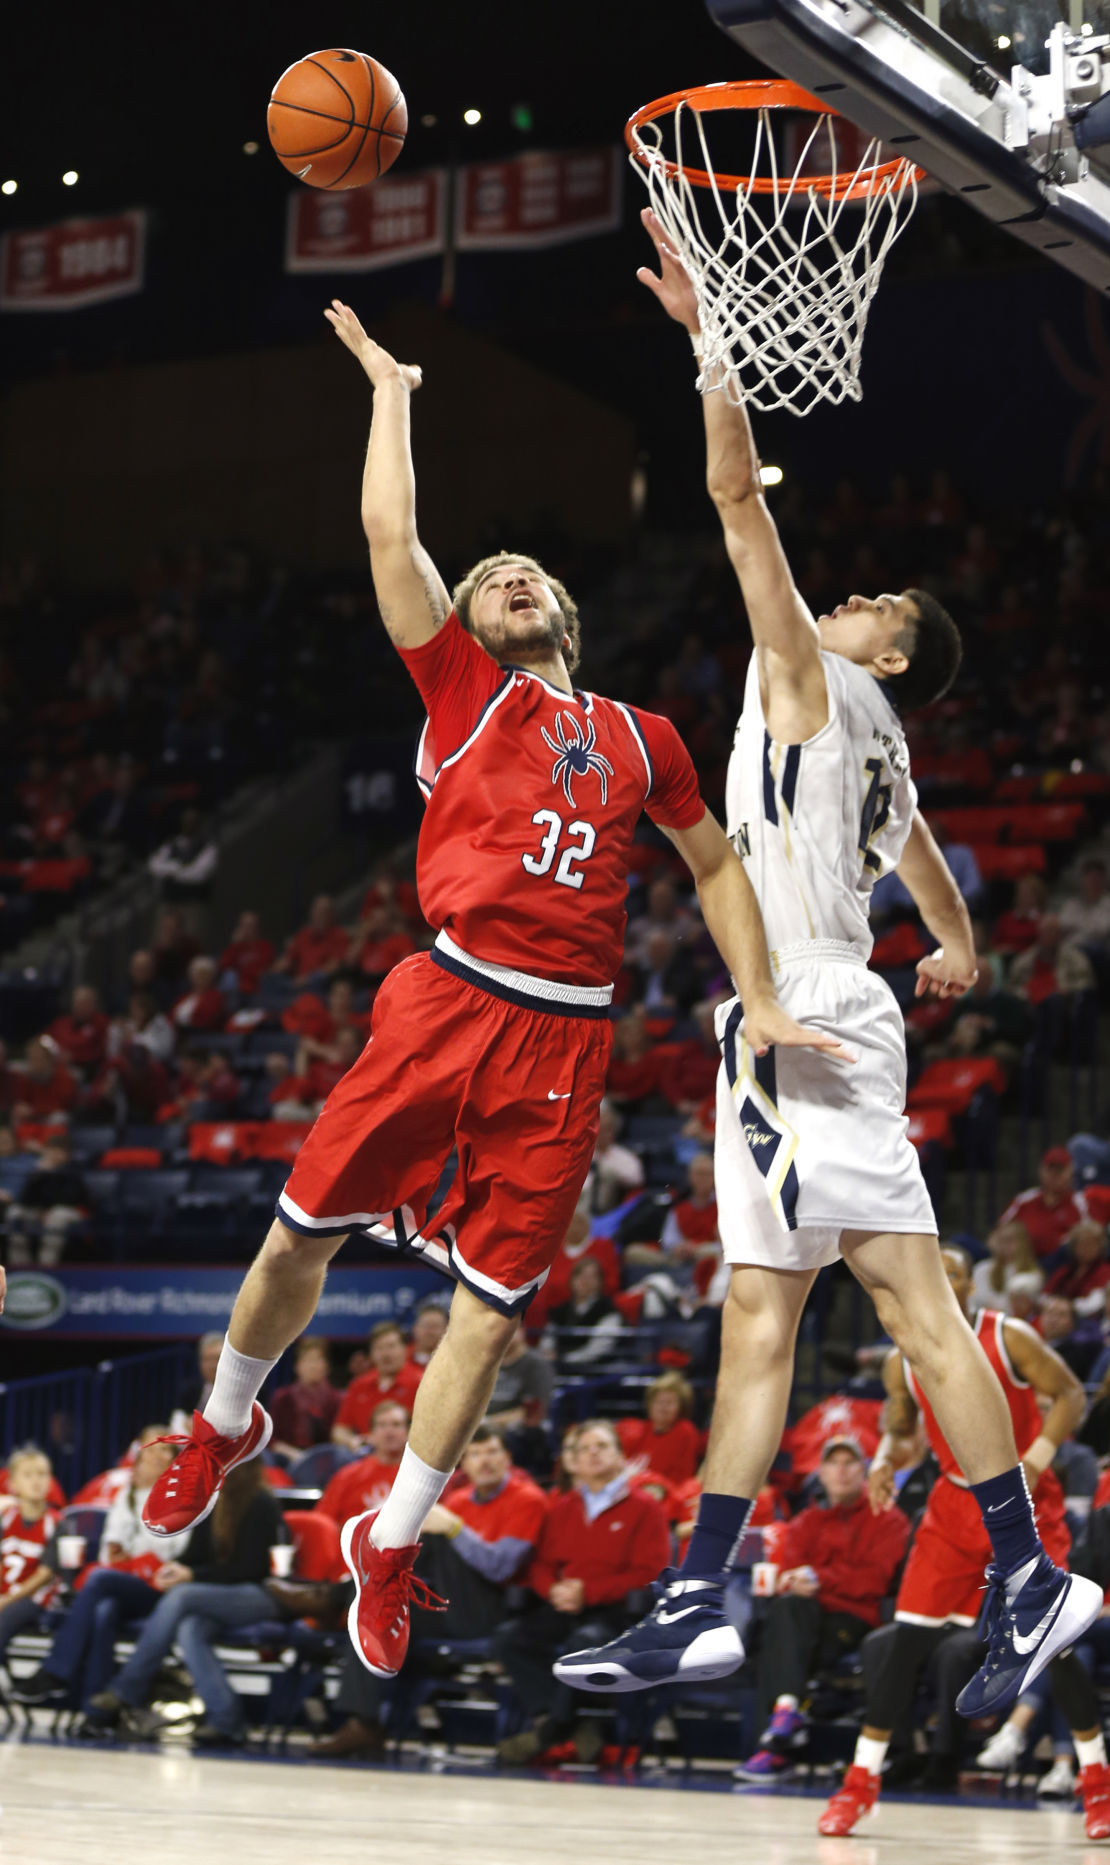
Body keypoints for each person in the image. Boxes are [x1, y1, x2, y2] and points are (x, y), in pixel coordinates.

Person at [141, 297, 837, 1691]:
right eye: (493, 574)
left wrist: (755, 996)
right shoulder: (463, 696)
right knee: (294, 1247)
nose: (510, 575)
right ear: (467, 622)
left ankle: (389, 1542)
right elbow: (394, 542)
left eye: (527, 573)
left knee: (490, 1313)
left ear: (565, 614)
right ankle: (227, 1418)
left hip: (565, 1042)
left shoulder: (643, 737)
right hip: (449, 999)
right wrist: (392, 392)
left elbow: (711, 867)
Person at [556, 211, 1101, 1721]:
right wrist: (958, 945)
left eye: (872, 604)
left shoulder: (814, 681)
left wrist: (711, 340)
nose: (846, 595)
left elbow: (733, 494)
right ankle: (704, 1600)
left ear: (884, 649)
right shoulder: (886, 749)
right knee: (774, 1314)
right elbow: (922, 860)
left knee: (893, 1315)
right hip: (822, 1001)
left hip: (795, 1006)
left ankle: (1021, 1577)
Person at [817, 1247, 1106, 1835]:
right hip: (952, 1504)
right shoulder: (903, 1357)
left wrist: (1036, 1457)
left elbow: (1073, 1393)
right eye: (935, 1273)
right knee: (906, 1644)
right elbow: (903, 1426)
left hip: (1023, 1502)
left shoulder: (1009, 1336)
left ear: (972, 1286)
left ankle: (1096, 1779)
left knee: (1055, 1644)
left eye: (954, 1274)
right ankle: (861, 1781)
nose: (944, 1282)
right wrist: (880, 1460)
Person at [310, 1424, 547, 1760]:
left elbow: (502, 1568)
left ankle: (327, 1599)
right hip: (446, 1605)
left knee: (431, 1536)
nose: (485, 1461)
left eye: (493, 1452)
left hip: (493, 1612)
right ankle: (362, 1723)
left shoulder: (527, 1499)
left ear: (508, 1458)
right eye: (476, 1454)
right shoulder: (459, 1499)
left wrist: (454, 1528)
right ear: (464, 1464)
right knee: (370, 1614)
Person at [494, 1421, 671, 1766]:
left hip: (619, 1611)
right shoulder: (562, 1506)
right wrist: (554, 1590)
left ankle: (551, 1731)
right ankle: (569, 1724)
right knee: (508, 1640)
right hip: (564, 1606)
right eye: (584, 1448)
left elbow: (650, 1574)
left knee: (584, 1643)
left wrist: (588, 1592)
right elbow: (542, 1565)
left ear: (621, 1457)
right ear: (573, 1460)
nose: (592, 1453)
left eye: (602, 1446)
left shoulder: (645, 1507)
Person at [737, 1436, 909, 1779]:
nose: (841, 1471)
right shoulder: (807, 1521)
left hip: (853, 1621)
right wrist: (796, 1580)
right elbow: (791, 1570)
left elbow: (873, 1580)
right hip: (806, 1617)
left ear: (864, 1471)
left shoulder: (888, 1519)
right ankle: (787, 1716)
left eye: (850, 1463)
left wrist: (818, 1577)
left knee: (780, 1636)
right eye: (834, 1463)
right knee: (787, 1612)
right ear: (822, 1472)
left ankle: (775, 1746)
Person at [88, 1459, 282, 1746]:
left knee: (183, 1595)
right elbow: (195, 1556)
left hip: (260, 1596)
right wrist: (174, 1569)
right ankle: (227, 1722)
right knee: (190, 1628)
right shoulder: (214, 1501)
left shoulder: (262, 1504)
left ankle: (128, 1688)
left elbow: (252, 1570)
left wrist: (192, 1575)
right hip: (217, 1597)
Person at [11, 1435, 191, 1712]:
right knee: (103, 1611)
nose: (156, 1457)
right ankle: (96, 1714)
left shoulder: (184, 1495)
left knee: (98, 1579)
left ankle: (56, 1671)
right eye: (150, 1451)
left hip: (163, 1589)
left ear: (175, 1458)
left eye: (164, 1450)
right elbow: (111, 1550)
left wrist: (137, 1548)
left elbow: (173, 1550)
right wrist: (133, 1550)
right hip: (126, 1584)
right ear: (138, 1458)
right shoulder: (126, 1495)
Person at [0, 1447, 60, 1672]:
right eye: (28, 1475)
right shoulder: (6, 1517)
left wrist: (6, 1600)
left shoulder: (57, 1522)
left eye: (42, 1474)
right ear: (12, 1484)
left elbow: (45, 1574)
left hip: (35, 1600)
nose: (36, 1481)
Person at [330, 1320, 423, 1449]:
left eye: (391, 1346)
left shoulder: (422, 1383)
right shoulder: (358, 1385)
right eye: (379, 1348)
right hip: (366, 1456)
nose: (385, 1354)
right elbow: (339, 1430)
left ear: (405, 1349)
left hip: (408, 1455)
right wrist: (353, 1441)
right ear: (372, 1353)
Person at [317, 1402, 409, 1524]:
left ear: (408, 1433)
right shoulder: (347, 1476)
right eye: (382, 1425)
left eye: (396, 1425)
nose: (389, 1432)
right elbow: (322, 1522)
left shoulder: (420, 1478)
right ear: (370, 1435)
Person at [3, 1136, 88, 1268]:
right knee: (15, 1212)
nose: (54, 1155)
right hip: (41, 1210)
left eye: (58, 1152)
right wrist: (39, 1173)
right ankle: (20, 1265)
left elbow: (72, 1197)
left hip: (71, 1210)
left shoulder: (74, 1169)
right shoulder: (40, 1169)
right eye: (51, 1151)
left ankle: (47, 1265)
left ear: (66, 1154)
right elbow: (26, 1199)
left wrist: (48, 1209)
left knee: (57, 1216)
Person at [999, 1146, 1089, 1262]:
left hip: (1059, 1265)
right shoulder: (1025, 1199)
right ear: (1041, 1171)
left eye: (1060, 1170)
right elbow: (1002, 1228)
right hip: (1022, 1260)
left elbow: (1088, 1235)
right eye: (1050, 1169)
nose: (1055, 1175)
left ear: (1070, 1173)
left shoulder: (1079, 1202)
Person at [616, 1371, 703, 1487]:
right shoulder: (635, 1429)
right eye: (659, 1401)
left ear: (681, 1407)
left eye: (670, 1402)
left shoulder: (685, 1432)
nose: (663, 1407)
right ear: (650, 1404)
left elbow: (682, 1479)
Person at [269, 1335, 343, 1462]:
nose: (312, 1366)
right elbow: (271, 1438)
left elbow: (339, 1436)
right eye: (308, 1360)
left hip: (326, 1459)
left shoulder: (336, 1399)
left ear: (326, 1367)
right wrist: (291, 1453)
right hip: (287, 1457)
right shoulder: (283, 1398)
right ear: (297, 1366)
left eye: (317, 1360)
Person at [969, 1220, 1043, 1316]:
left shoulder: (1033, 1275)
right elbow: (972, 1302)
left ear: (1023, 1243)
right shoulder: (981, 1269)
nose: (1004, 1244)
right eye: (1001, 1239)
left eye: (1010, 1240)